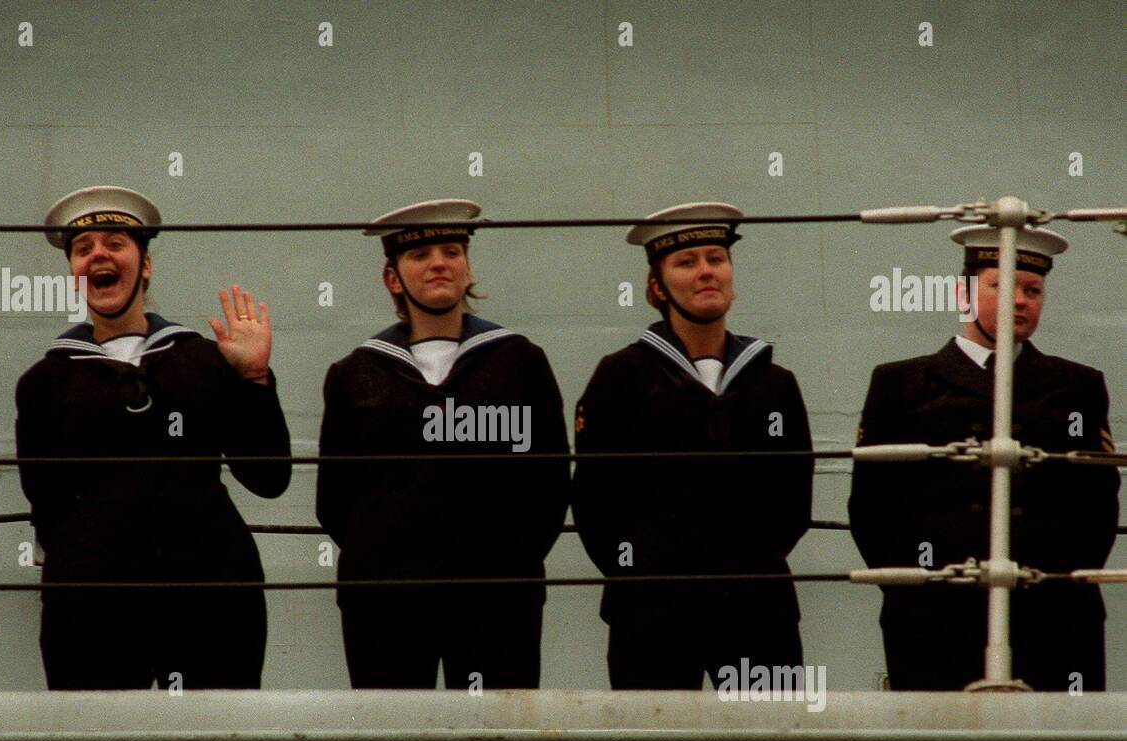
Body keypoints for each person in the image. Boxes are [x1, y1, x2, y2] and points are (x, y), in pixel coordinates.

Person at [15, 186, 291, 690]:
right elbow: (48, 503)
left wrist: (254, 380)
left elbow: (269, 476)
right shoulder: (44, 383)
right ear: (75, 272)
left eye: (116, 242)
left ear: (145, 266)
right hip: (95, 612)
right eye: (84, 248)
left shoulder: (205, 360)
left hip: (211, 604)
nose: (99, 254)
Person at [849, 225, 1119, 691]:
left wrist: (1056, 584)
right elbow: (873, 508)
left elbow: (1097, 506)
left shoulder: (1078, 386)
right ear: (963, 293)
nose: (1020, 300)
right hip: (933, 618)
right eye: (1002, 285)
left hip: (1053, 618)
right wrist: (912, 589)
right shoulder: (901, 384)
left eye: (1032, 289)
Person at [316, 199, 569, 689]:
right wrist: (392, 560)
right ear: (393, 278)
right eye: (420, 254)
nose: (438, 263)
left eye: (451, 251)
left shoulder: (519, 362)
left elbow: (549, 484)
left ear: (467, 267)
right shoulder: (355, 374)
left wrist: (505, 562)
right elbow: (336, 503)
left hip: (498, 601)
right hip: (385, 605)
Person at [572, 203, 814, 690]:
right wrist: (639, 575)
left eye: (716, 258)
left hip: (757, 609)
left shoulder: (774, 382)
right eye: (687, 262)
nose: (706, 271)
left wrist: (744, 566)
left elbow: (792, 500)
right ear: (658, 287)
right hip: (651, 613)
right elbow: (596, 503)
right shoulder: (621, 378)